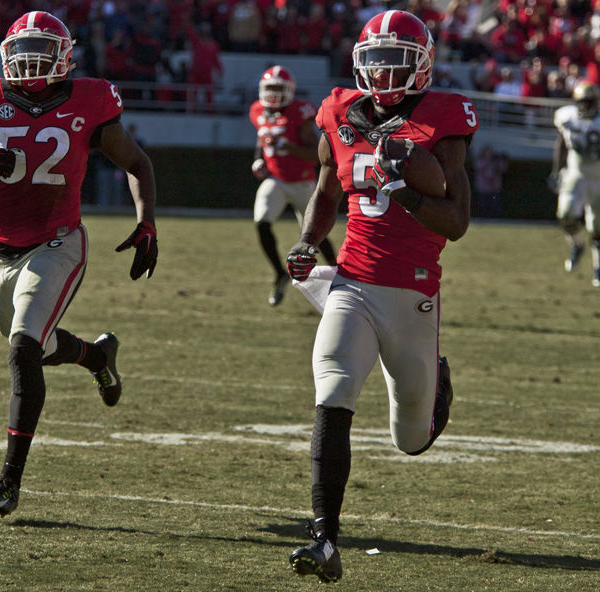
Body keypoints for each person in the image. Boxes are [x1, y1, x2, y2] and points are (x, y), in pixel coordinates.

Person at [0, 11, 158, 517]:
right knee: (34, 345)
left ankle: (8, 483)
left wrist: (147, 223)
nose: (29, 61)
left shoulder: (90, 99)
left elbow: (137, 163)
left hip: (59, 242)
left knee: (23, 347)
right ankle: (97, 357)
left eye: (41, 50)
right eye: (22, 49)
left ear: (66, 57)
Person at [284, 10, 477, 583]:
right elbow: (324, 190)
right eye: (376, 61)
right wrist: (307, 241)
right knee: (333, 389)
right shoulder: (339, 111)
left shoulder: (444, 119)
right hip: (352, 283)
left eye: (398, 61)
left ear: (422, 65)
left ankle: (436, 376)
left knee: (411, 439)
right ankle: (324, 538)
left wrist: (406, 191)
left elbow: (457, 222)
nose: (385, 73)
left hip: (414, 294)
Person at [250, 65, 337, 306]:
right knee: (262, 223)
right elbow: (262, 137)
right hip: (276, 180)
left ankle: (340, 276)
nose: (274, 94)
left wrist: (288, 147)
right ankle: (279, 274)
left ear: (289, 90)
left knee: (317, 234)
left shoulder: (300, 113)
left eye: (279, 88)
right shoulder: (257, 110)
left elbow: (316, 155)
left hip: (302, 182)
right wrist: (259, 158)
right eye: (271, 88)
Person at [549, 81, 600, 287]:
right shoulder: (567, 117)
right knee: (565, 214)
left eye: (589, 102)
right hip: (576, 174)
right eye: (582, 102)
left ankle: (599, 268)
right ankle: (577, 245)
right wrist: (557, 169)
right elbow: (562, 142)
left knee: (597, 226)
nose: (585, 107)